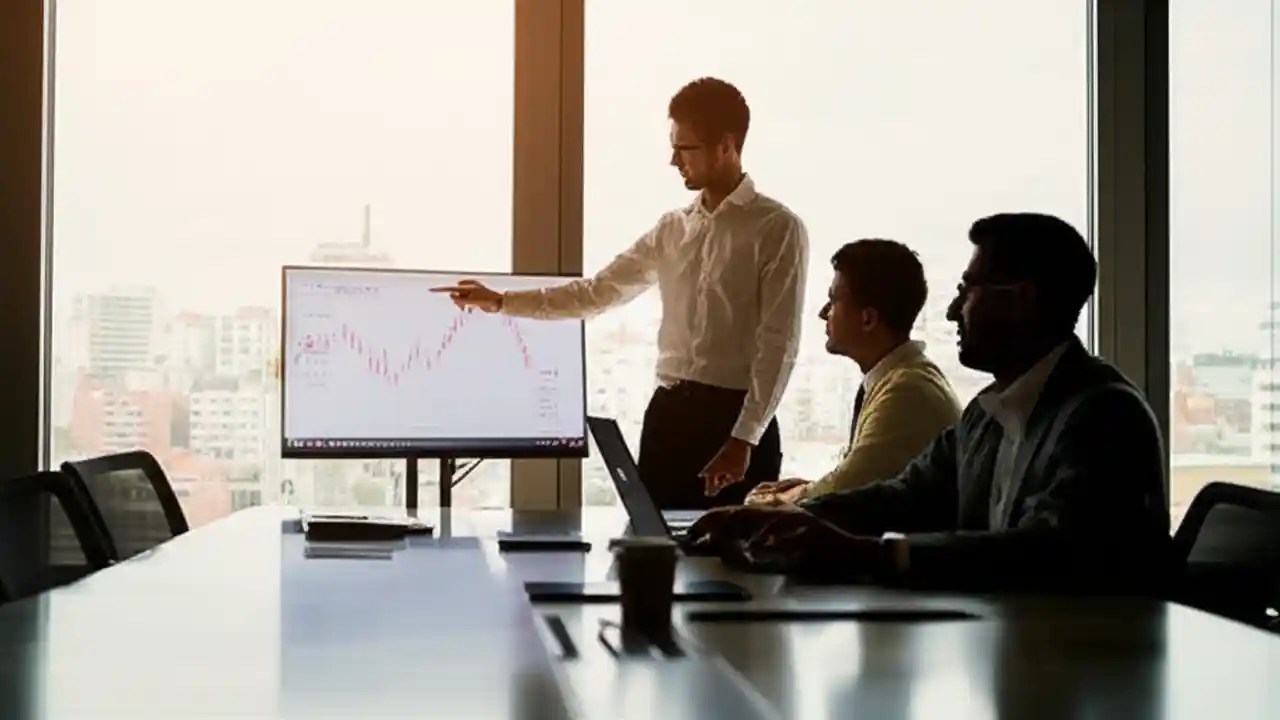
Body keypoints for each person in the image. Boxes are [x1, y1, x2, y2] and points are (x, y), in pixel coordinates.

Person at [685, 212, 1172, 592]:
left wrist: (871, 555)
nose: (952, 310)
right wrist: (787, 518)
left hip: (1092, 674)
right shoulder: (988, 413)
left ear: (1020, 299)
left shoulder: (1104, 416)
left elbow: (1050, 553)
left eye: (968, 289)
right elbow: (905, 494)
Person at [432, 77, 808, 509]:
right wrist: (501, 302)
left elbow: (779, 343)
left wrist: (745, 438)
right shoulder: (673, 228)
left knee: (734, 565)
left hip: (737, 421)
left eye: (684, 148)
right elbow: (597, 292)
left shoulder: (777, 228)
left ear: (725, 145)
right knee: (650, 554)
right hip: (668, 418)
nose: (673, 160)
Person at [745, 239, 961, 506]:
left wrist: (770, 501)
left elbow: (843, 491)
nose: (824, 313)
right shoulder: (901, 377)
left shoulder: (906, 392)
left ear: (868, 319)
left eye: (834, 300)